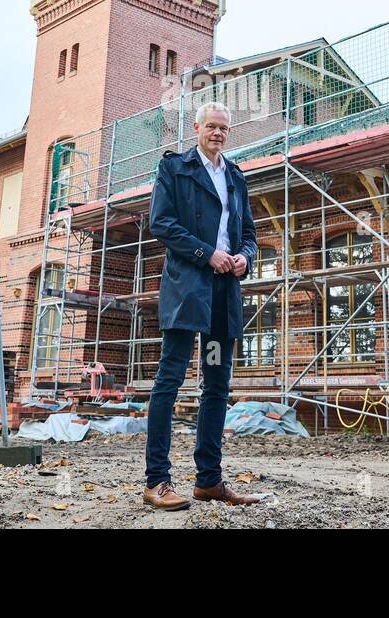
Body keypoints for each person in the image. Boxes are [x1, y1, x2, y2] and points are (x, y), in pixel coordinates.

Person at [142, 100, 261, 510]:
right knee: (170, 380)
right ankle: (157, 480)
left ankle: (208, 480)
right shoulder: (175, 169)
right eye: (211, 126)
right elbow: (162, 223)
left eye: (224, 128)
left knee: (215, 384)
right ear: (196, 128)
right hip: (188, 290)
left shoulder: (235, 176)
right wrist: (205, 252)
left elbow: (248, 232)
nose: (218, 133)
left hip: (222, 294)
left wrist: (245, 256)